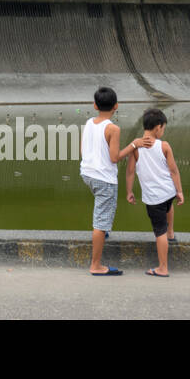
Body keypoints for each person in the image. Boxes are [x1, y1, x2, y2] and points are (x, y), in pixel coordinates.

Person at [79, 86, 149, 275]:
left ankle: (103, 232)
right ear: (116, 106)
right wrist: (134, 144)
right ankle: (96, 265)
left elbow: (82, 151)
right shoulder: (113, 128)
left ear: (95, 105)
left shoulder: (88, 123)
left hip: (87, 174)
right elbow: (114, 157)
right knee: (100, 222)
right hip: (104, 178)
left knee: (101, 209)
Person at [125, 107, 185, 277]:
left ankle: (163, 268)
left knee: (160, 232)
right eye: (163, 128)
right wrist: (179, 191)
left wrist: (129, 191)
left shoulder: (136, 147)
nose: (163, 131)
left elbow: (130, 172)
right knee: (169, 207)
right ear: (158, 127)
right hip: (168, 191)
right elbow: (174, 171)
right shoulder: (164, 146)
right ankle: (171, 233)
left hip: (153, 198)